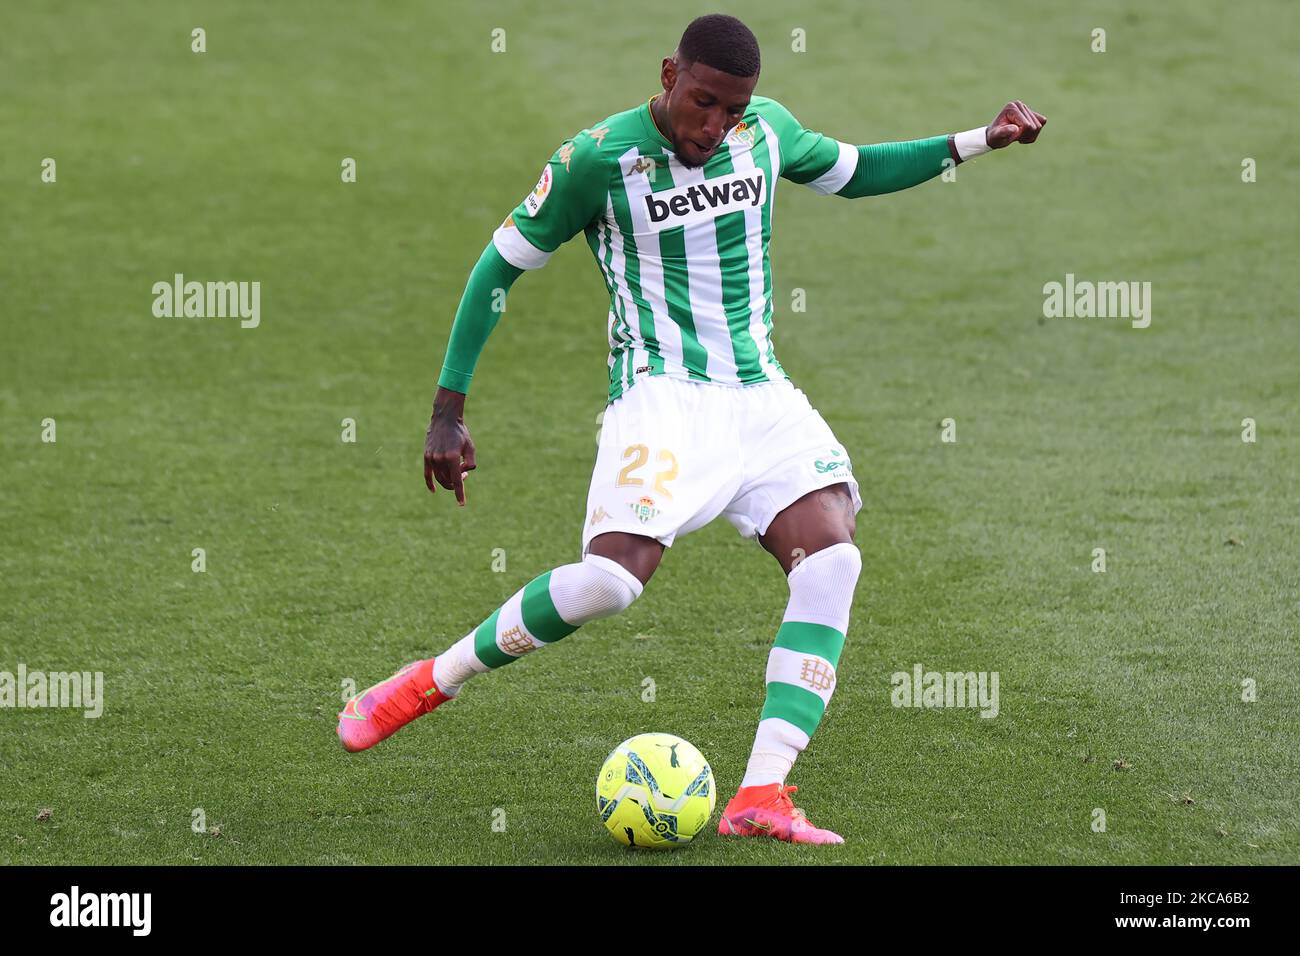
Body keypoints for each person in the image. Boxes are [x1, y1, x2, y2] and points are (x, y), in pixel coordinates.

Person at [338, 13, 1046, 845]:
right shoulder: (596, 160)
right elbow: (497, 268)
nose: (714, 129)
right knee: (611, 584)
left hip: (762, 395)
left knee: (833, 559)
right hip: (661, 395)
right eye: (702, 103)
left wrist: (978, 140)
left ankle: (761, 793)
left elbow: (854, 170)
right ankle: (431, 680)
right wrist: (447, 412)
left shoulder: (765, 132)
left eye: (731, 112)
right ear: (669, 73)